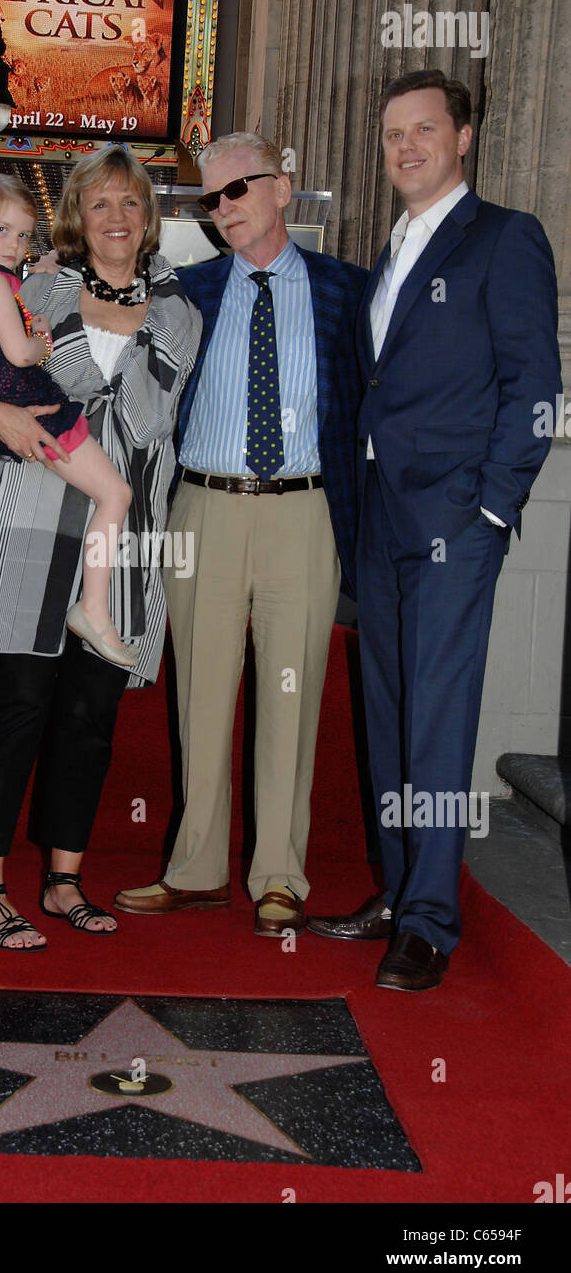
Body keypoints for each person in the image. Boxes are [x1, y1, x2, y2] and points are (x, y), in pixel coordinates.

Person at [307, 70, 562, 990]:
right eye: (390, 134)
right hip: (381, 520)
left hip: (456, 520)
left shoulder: (504, 239)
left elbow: (534, 387)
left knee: (438, 721)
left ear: (462, 139)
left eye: (422, 130)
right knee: (387, 716)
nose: (404, 146)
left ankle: (429, 920)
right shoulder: (390, 250)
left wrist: (493, 505)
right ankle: (394, 886)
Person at [0, 144, 201, 950]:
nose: (116, 217)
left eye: (129, 203)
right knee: (12, 701)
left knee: (89, 715)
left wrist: (45, 386)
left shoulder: (178, 313)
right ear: (77, 218)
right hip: (28, 510)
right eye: (99, 204)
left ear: (147, 217)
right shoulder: (29, 285)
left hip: (120, 536)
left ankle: (62, 880)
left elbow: (146, 420)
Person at [115, 132, 367, 937]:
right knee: (201, 694)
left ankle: (278, 877)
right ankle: (193, 870)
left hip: (304, 510)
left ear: (282, 189)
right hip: (204, 509)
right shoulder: (184, 292)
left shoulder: (346, 292)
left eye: (236, 190)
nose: (220, 208)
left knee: (291, 698)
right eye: (208, 198)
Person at [0, 173, 136, 666]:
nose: (14, 245)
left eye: (24, 234)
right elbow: (21, 353)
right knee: (115, 495)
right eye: (2, 230)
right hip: (42, 413)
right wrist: (45, 341)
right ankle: (94, 607)